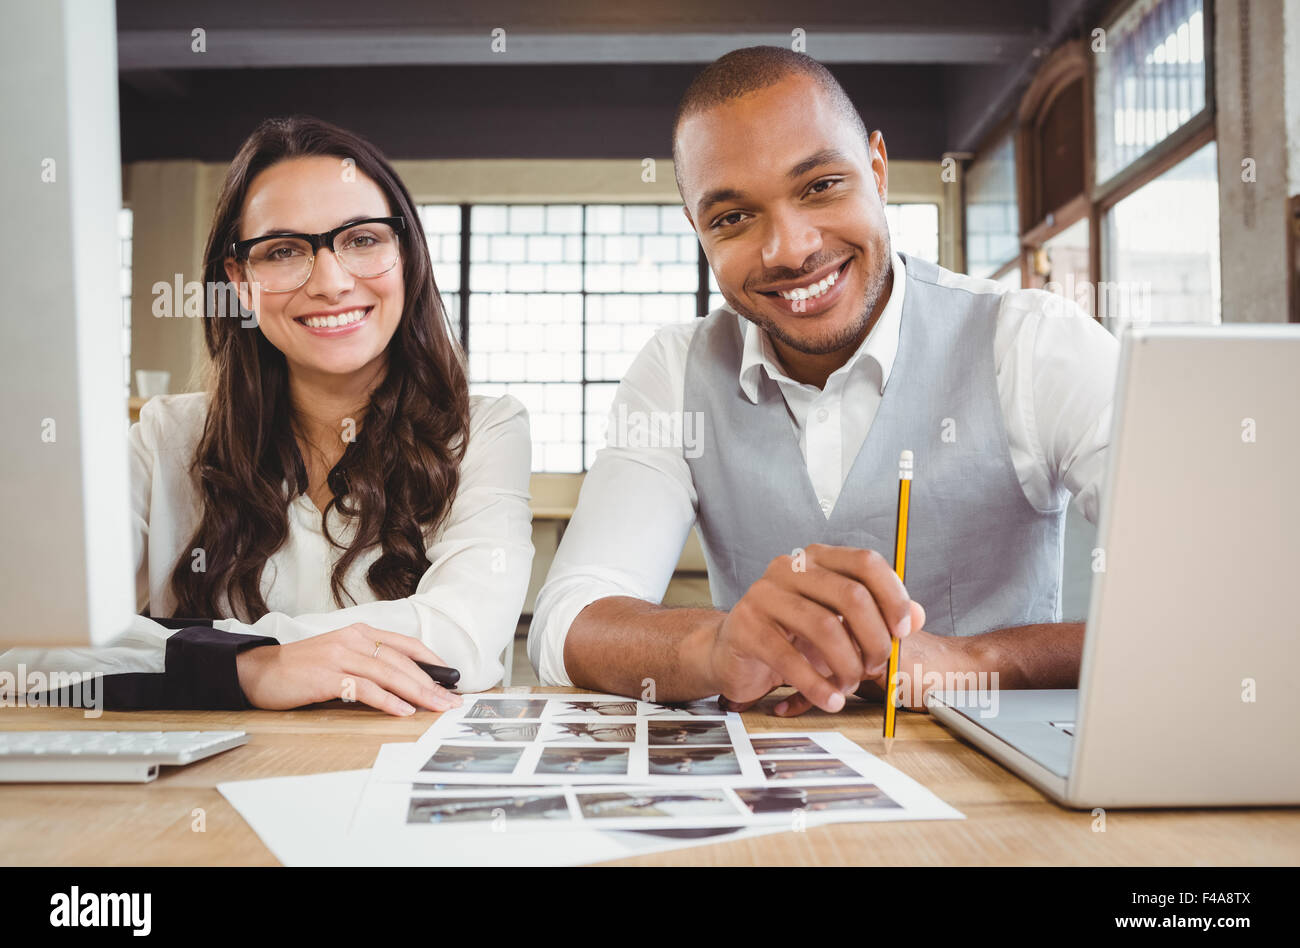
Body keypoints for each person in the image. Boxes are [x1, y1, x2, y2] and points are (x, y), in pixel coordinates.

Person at [528, 47, 1118, 717]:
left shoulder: (1031, 341)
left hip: (1002, 792)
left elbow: (1224, 595)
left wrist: (982, 660)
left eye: (820, 186)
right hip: (772, 792)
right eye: (732, 218)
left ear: (877, 169)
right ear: (697, 228)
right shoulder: (674, 370)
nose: (791, 249)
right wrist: (714, 645)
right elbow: (568, 619)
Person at [1, 116, 533, 715]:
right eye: (283, 251)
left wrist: (200, 656)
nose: (331, 283)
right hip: (200, 787)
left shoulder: (486, 431)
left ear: (406, 253)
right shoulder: (166, 439)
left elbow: (460, 639)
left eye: (362, 239)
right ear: (240, 281)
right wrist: (254, 669)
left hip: (403, 778)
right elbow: (30, 646)